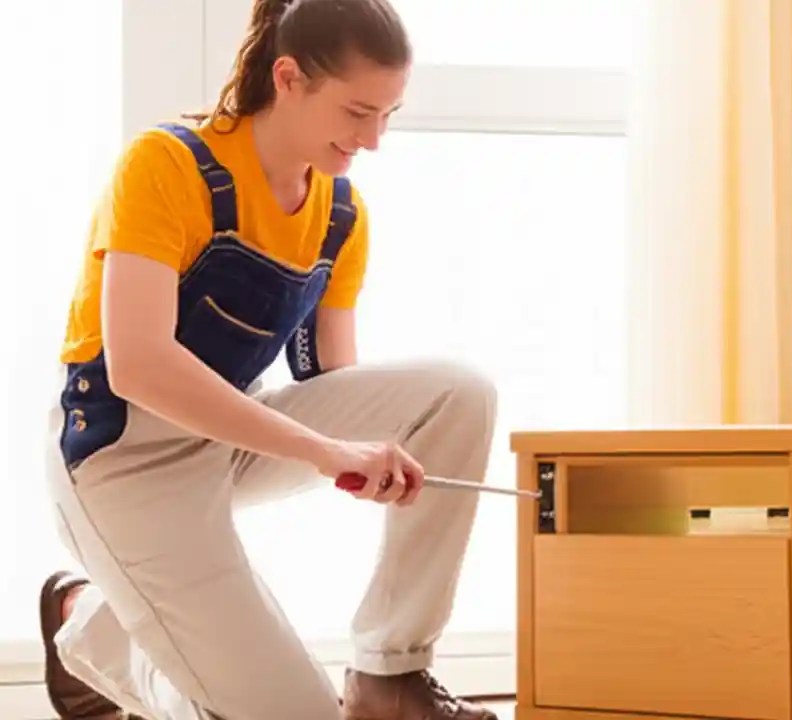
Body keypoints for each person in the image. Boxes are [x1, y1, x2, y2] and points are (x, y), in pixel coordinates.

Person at [37, 0, 500, 718]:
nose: (373, 140)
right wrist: (325, 450)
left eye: (389, 115)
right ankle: (90, 627)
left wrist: (371, 460)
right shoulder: (166, 165)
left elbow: (332, 380)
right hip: (121, 460)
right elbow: (138, 365)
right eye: (356, 112)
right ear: (288, 78)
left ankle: (390, 676)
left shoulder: (341, 212)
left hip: (227, 441)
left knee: (459, 394)